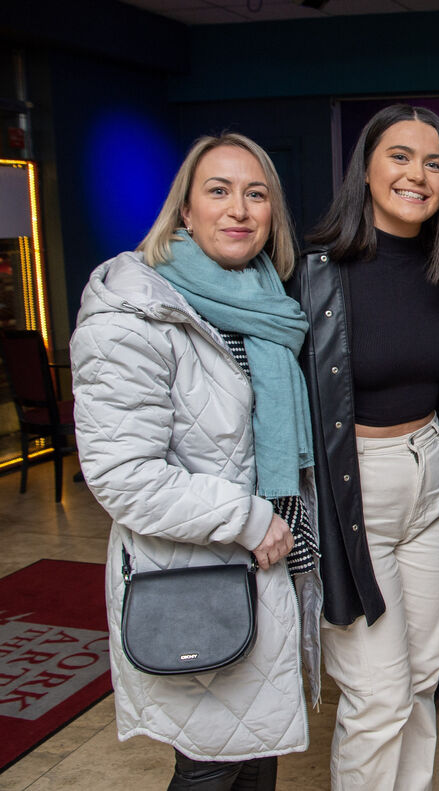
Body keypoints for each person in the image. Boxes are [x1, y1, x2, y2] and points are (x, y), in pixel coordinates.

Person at [71, 133, 316, 789]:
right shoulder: (135, 310)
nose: (238, 209)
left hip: (262, 569)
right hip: (194, 576)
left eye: (256, 193)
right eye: (218, 190)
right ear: (184, 210)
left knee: (252, 756)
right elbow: (125, 478)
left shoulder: (265, 302)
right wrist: (247, 517)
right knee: (211, 767)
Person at [289, 103, 439, 791]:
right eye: (400, 156)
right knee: (377, 695)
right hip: (353, 488)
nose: (417, 175)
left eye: (433, 163)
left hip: (432, 472)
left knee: (424, 678)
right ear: (365, 169)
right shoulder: (312, 271)